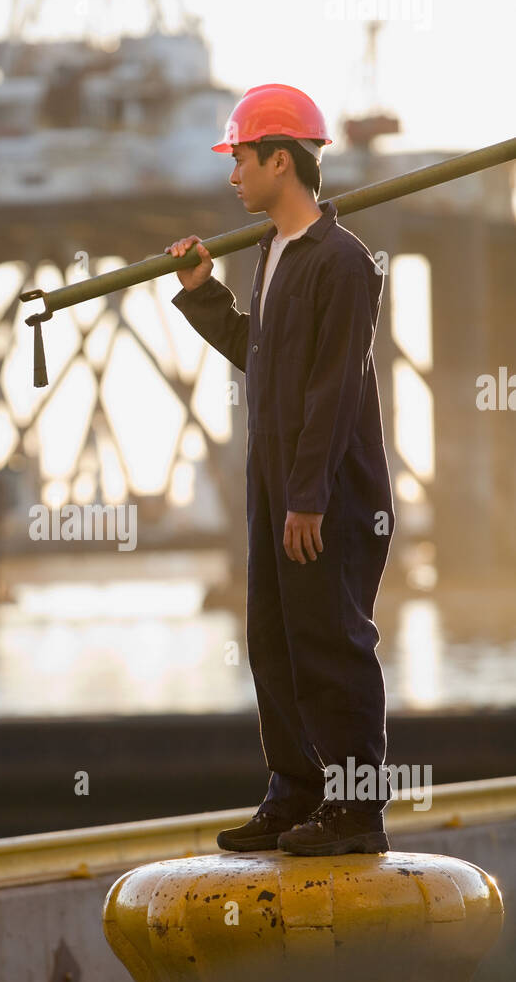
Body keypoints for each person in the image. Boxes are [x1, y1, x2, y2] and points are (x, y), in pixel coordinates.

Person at [166, 83, 395, 856]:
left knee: (332, 642)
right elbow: (258, 360)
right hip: (280, 490)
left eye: (240, 158)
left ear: (280, 160)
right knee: (275, 641)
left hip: (327, 492)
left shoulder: (344, 263)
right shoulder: (273, 254)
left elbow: (332, 391)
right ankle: (295, 795)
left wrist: (307, 498)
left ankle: (357, 812)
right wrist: (203, 297)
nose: (232, 176)